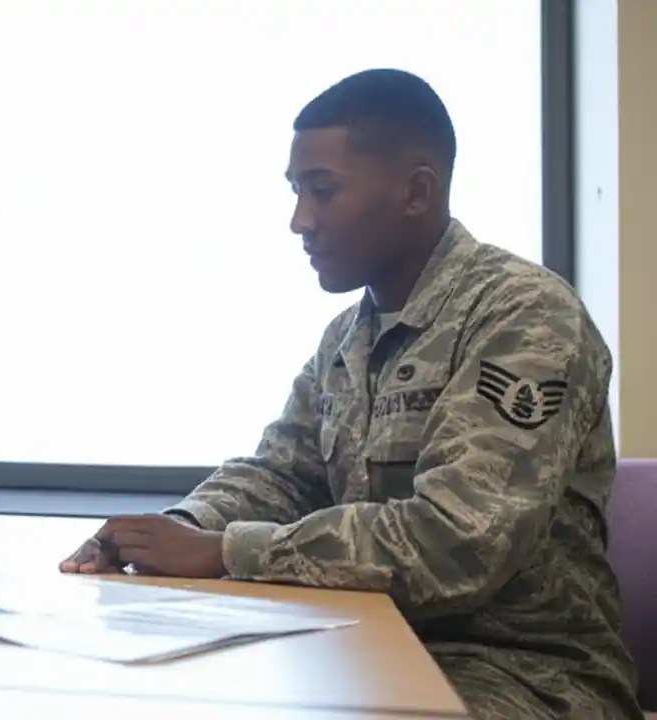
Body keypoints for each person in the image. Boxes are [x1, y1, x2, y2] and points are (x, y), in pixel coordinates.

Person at [60, 69, 641, 719]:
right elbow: (280, 475)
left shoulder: (526, 317)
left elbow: (456, 542)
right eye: (296, 191)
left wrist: (225, 552)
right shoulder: (347, 338)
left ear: (416, 191)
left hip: (521, 672)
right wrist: (173, 532)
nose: (299, 220)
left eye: (322, 191)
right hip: (356, 644)